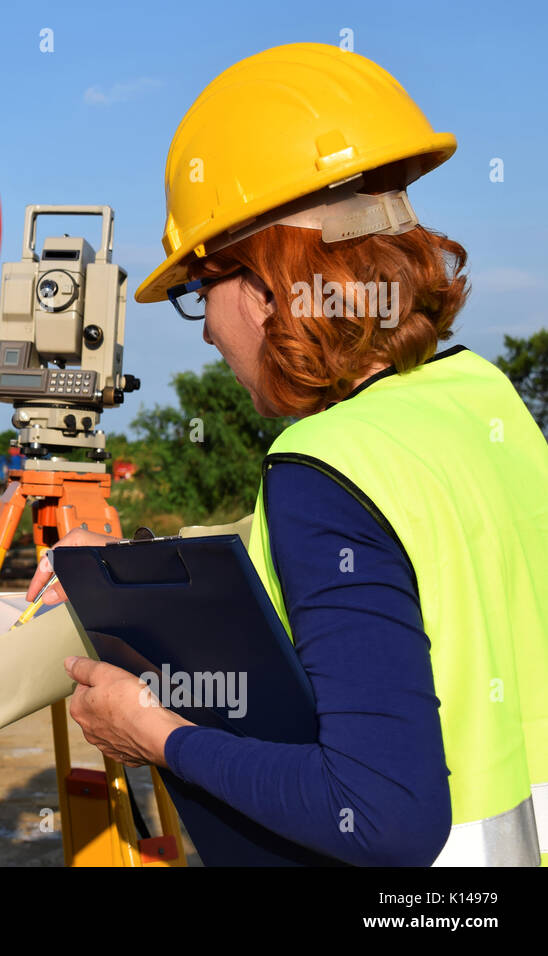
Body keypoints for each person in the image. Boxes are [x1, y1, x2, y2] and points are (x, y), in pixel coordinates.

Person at [28, 43, 548, 866]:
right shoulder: (478, 401)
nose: (203, 328)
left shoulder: (321, 465)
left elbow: (381, 817)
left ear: (270, 283)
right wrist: (128, 561)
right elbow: (385, 557)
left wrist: (153, 731)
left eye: (203, 288)